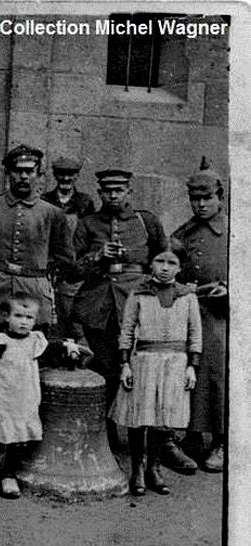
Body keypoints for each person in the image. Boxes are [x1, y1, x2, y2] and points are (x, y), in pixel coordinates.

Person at [71, 170, 191, 470]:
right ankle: (107, 436)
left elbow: (165, 257)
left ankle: (161, 444)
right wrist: (97, 257)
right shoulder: (88, 224)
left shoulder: (145, 220)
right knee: (108, 369)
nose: (113, 195)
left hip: (141, 301)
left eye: (119, 190)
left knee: (151, 370)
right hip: (100, 304)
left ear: (129, 191)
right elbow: (72, 269)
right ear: (99, 192)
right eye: (107, 190)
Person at [0, 145, 73, 440]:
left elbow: (64, 258)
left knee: (26, 371)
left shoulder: (53, 214)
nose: (23, 177)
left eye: (29, 172)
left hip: (30, 299)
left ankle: (22, 440)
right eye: (17, 171)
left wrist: (44, 287)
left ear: (39, 175)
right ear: (7, 174)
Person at [0, 293, 84, 498]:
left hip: (23, 399)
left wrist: (67, 345)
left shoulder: (35, 341)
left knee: (18, 438)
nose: (23, 322)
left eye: (29, 318)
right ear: (6, 317)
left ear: (35, 320)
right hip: (0, 399)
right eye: (18, 316)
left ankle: (9, 473)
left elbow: (52, 347)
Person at [110, 250, 202, 496]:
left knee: (164, 417)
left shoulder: (188, 297)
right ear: (150, 264)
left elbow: (195, 334)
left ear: (180, 268)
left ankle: (154, 468)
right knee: (140, 416)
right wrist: (125, 365)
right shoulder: (138, 294)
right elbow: (127, 330)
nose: (164, 267)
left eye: (172, 263)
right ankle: (137, 470)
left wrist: (192, 366)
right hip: (144, 362)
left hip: (176, 363)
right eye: (160, 261)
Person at [171, 162, 228, 473]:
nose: (201, 205)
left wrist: (230, 291)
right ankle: (193, 436)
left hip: (223, 318)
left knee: (218, 378)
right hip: (191, 314)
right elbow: (165, 266)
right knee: (192, 374)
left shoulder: (236, 231)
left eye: (207, 198)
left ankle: (220, 441)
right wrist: (181, 287)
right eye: (195, 199)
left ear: (220, 197)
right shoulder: (184, 232)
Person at [41, 156, 97, 342]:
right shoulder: (45, 200)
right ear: (55, 175)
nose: (65, 179)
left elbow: (90, 232)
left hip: (75, 267)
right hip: (49, 264)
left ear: (77, 176)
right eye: (61, 174)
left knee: (72, 315)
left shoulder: (84, 202)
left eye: (70, 175)